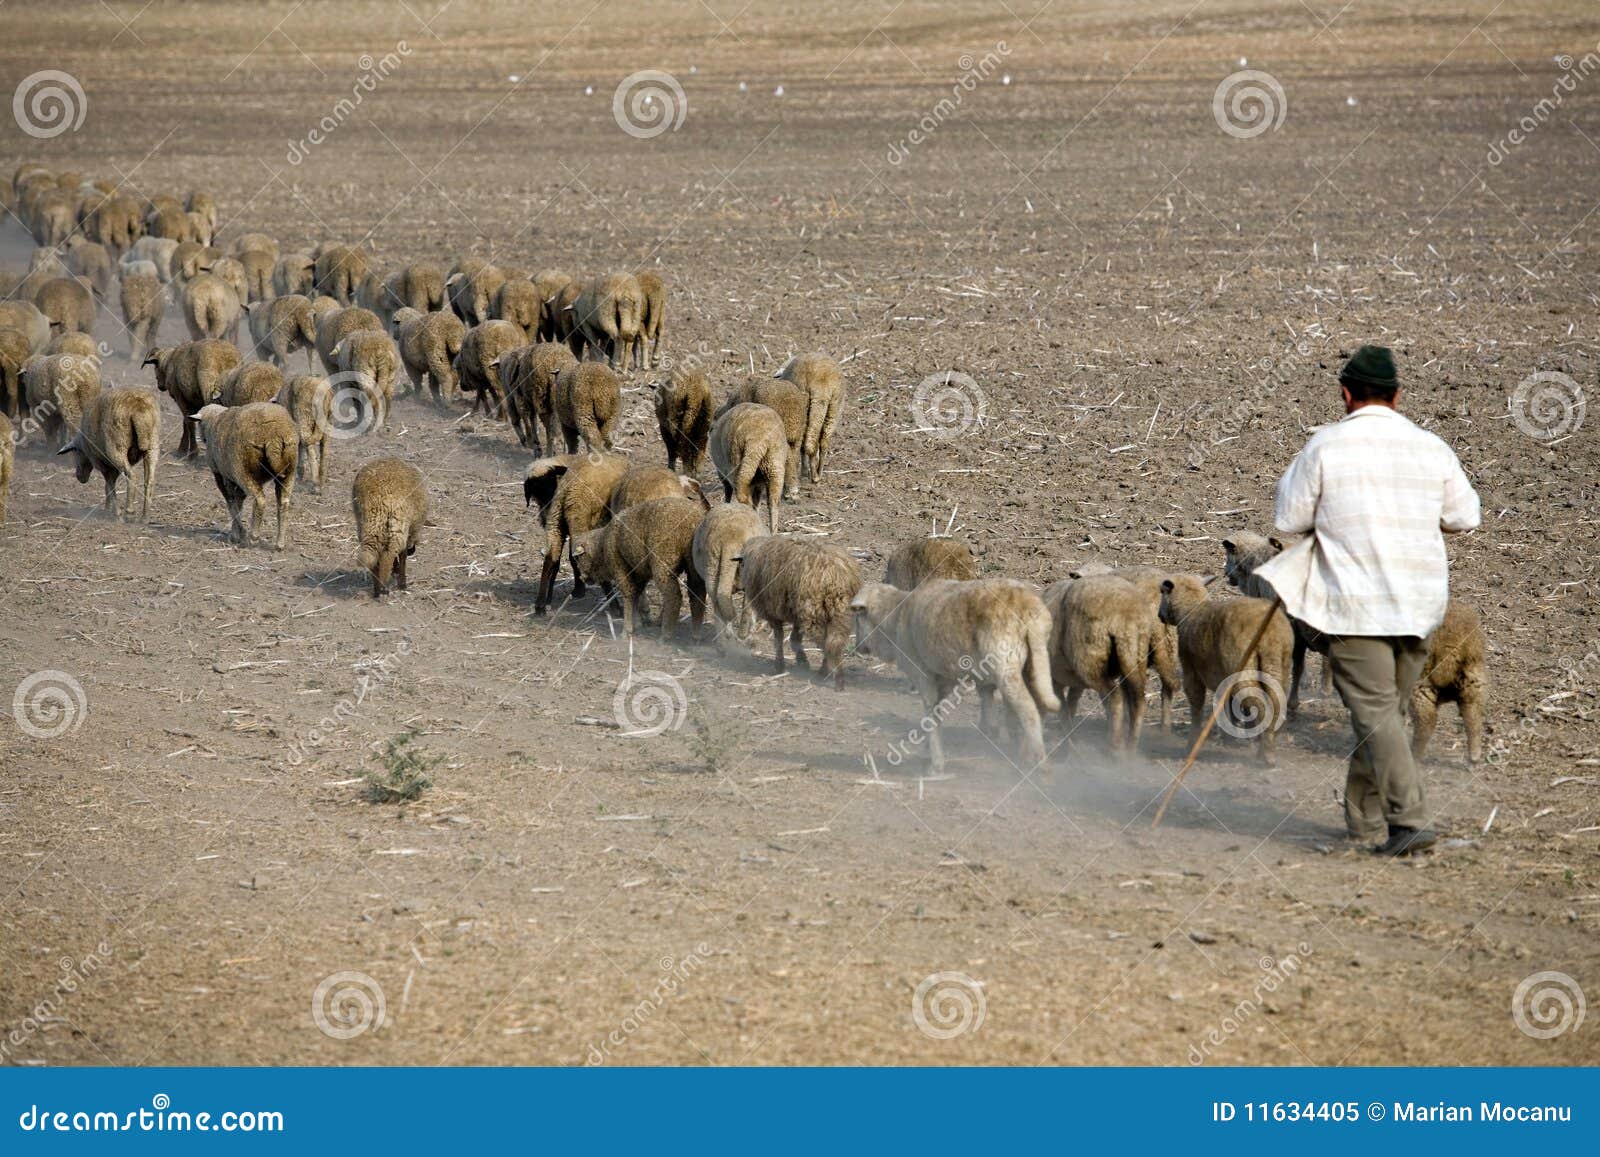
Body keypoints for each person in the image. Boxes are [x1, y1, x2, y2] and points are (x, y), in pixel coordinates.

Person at [1254, 345, 1480, 856]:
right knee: (1382, 714)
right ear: (1398, 396)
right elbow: (1466, 515)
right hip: (1420, 605)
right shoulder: (1431, 447)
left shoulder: (1324, 447)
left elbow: (1288, 520)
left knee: (1376, 715)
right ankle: (1362, 823)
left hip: (1355, 605)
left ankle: (1410, 821)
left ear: (1345, 394)